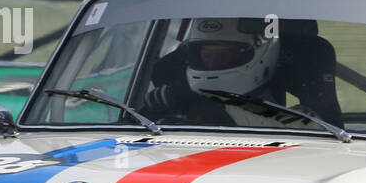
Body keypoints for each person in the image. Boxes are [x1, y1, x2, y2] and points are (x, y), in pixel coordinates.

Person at [143, 18, 343, 128]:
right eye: (204, 55)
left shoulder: (302, 123)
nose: (211, 63)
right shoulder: (171, 101)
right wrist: (149, 111)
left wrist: (214, 110)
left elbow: (312, 127)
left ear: (262, 54)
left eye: (223, 55)